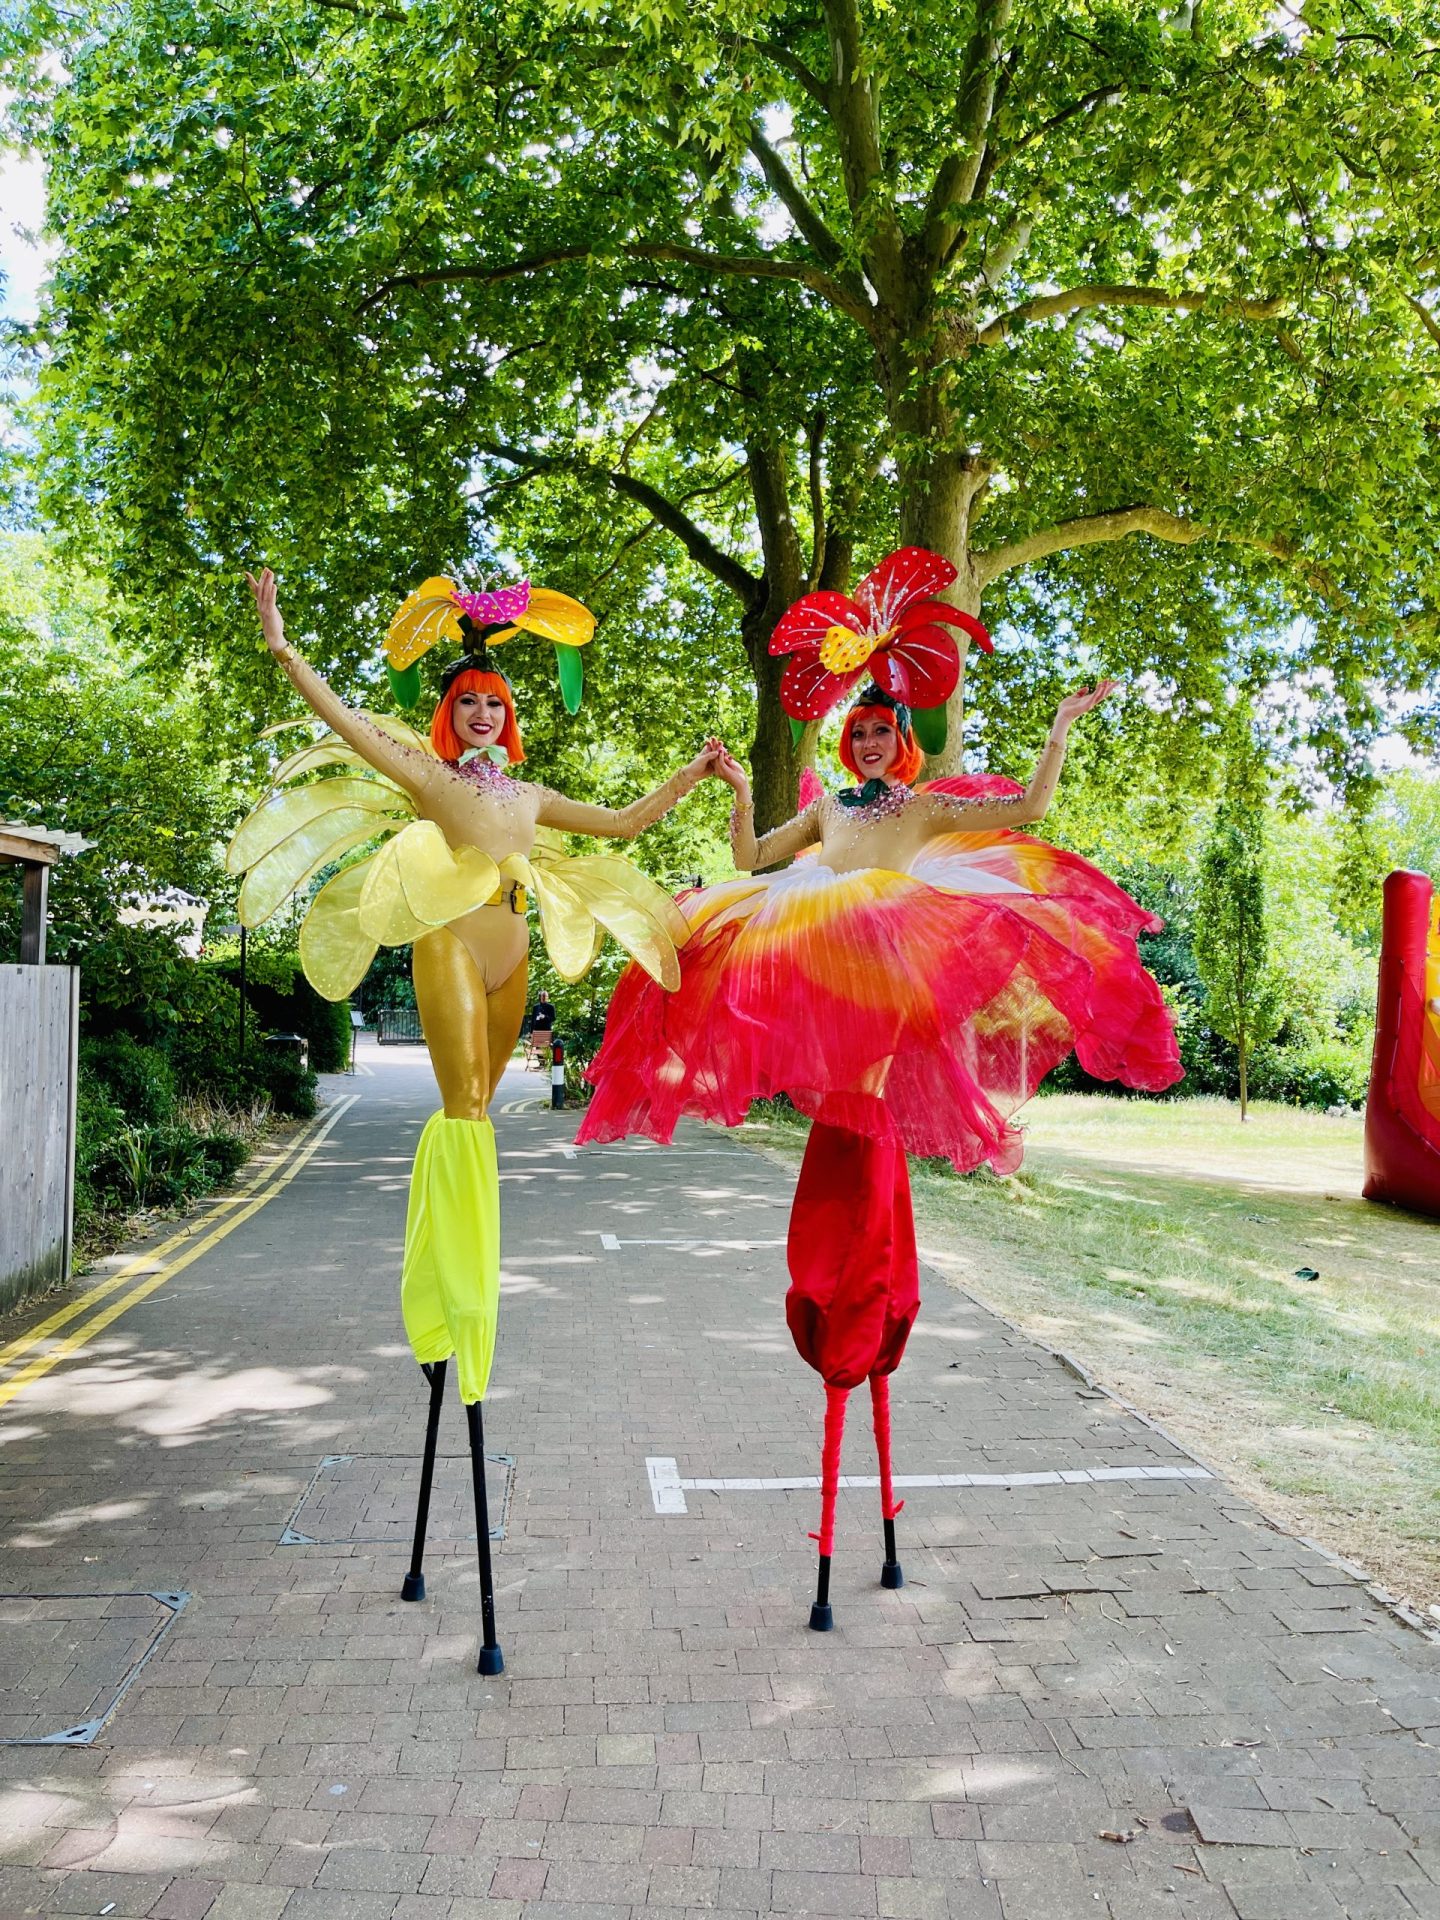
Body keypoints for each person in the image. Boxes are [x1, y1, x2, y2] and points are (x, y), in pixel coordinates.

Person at [235, 568, 722, 1406]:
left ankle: (467, 1275)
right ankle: (449, 1295)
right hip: (450, 942)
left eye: (494, 703)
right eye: (468, 703)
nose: (483, 715)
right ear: (448, 714)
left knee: (482, 1118)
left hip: (513, 950)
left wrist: (695, 774)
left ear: (510, 715)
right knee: (461, 1111)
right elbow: (346, 722)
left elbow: (625, 822)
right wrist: (282, 646)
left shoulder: (530, 795)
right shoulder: (429, 776)